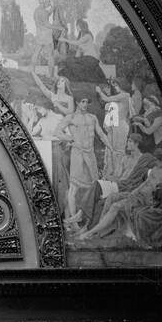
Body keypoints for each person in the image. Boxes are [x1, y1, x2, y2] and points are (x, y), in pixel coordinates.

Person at [79, 144, 162, 246]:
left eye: (156, 160)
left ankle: (91, 232)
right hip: (138, 195)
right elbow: (145, 184)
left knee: (116, 206)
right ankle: (101, 231)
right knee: (112, 197)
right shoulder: (156, 170)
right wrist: (132, 193)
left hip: (149, 201)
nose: (155, 163)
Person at [53, 95, 109, 228]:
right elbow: (57, 131)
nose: (85, 104)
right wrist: (70, 138)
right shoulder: (71, 117)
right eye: (82, 101)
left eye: (87, 102)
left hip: (90, 155)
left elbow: (100, 134)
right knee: (74, 188)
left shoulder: (92, 117)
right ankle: (75, 224)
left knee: (94, 186)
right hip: (77, 154)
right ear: (77, 102)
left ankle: (89, 220)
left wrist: (110, 147)